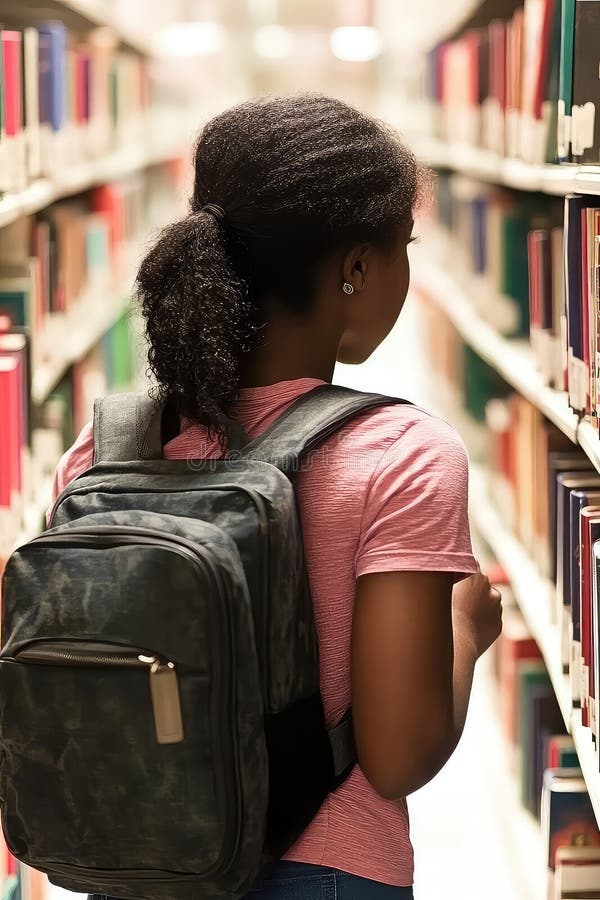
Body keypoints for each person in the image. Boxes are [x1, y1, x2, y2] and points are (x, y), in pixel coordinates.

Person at [51, 94, 502, 900]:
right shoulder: (402, 457)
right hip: (328, 873)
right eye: (402, 247)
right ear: (357, 270)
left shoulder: (109, 449)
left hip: (137, 865)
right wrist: (465, 628)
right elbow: (399, 755)